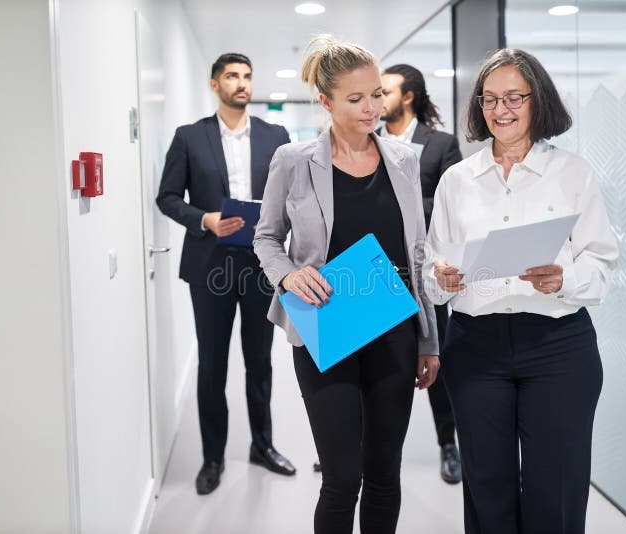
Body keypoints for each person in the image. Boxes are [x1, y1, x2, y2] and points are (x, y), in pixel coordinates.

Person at [424, 48, 619, 533]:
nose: (500, 110)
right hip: (476, 347)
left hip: (557, 347)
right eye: (489, 100)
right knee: (487, 487)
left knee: (557, 489)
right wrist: (441, 279)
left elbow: (601, 263)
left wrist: (564, 278)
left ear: (538, 102)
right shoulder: (456, 180)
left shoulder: (573, 172)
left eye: (514, 97)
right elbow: (433, 267)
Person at [254, 35, 440, 534]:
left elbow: (416, 256)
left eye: (376, 95)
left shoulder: (403, 158)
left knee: (384, 473)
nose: (371, 107)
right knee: (342, 477)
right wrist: (289, 274)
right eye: (356, 99)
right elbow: (267, 238)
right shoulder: (293, 161)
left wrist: (428, 338)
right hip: (326, 327)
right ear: (326, 102)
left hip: (393, 329)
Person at [156, 52, 295, 496]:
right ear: (214, 84)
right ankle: (212, 458)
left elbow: (294, 194)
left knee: (260, 362)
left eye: (247, 76)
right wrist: (205, 219)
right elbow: (167, 197)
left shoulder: (277, 136)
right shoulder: (189, 137)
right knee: (212, 365)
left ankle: (263, 445)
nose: (241, 83)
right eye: (232, 76)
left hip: (261, 263)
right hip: (210, 264)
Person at [379, 63, 463, 484]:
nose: (377, 98)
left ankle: (449, 445)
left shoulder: (441, 144)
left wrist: (408, 209)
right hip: (374, 270)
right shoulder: (368, 142)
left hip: (425, 268)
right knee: (366, 357)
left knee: (436, 358)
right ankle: (352, 449)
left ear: (408, 96)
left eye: (386, 91)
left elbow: (455, 205)